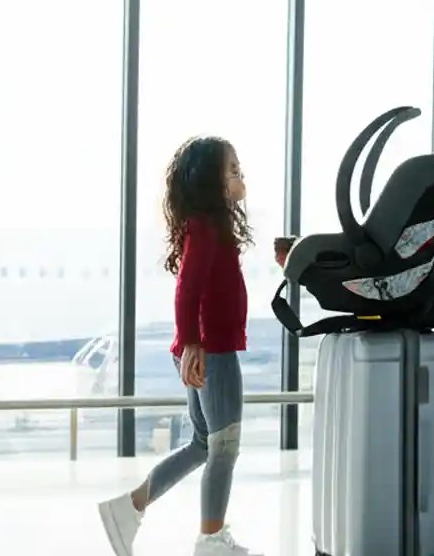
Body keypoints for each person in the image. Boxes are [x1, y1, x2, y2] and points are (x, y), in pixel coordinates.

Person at [98, 136, 260, 556]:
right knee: (224, 446)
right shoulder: (205, 227)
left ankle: (128, 509)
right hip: (212, 352)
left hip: (204, 348)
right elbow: (187, 290)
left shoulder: (210, 227)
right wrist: (192, 342)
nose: (240, 175)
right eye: (232, 169)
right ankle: (211, 541)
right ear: (211, 181)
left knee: (204, 444)